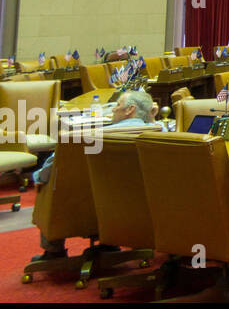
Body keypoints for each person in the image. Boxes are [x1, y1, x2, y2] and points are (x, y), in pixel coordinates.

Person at [30, 90, 157, 261]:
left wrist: (39, 177)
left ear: (130, 110)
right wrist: (152, 117)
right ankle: (110, 242)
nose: (113, 110)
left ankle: (54, 251)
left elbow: (54, 164)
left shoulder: (85, 138)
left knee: (50, 182)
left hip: (86, 203)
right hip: (132, 204)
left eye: (118, 105)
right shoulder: (156, 132)